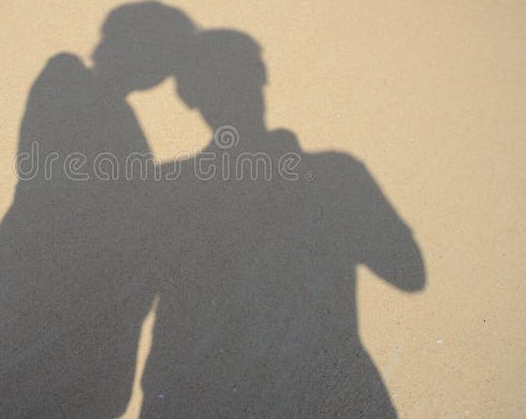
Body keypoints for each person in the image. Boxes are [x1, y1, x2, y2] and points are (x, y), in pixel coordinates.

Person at [142, 29, 426, 417]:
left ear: (189, 97)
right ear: (262, 77)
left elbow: (134, 297)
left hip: (202, 394)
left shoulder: (170, 188)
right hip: (322, 395)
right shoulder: (336, 175)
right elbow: (409, 271)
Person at [0, 1, 196, 418]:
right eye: (159, 54)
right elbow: (83, 182)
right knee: (18, 379)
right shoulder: (67, 78)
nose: (159, 70)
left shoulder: (105, 104)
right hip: (56, 272)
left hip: (73, 279)